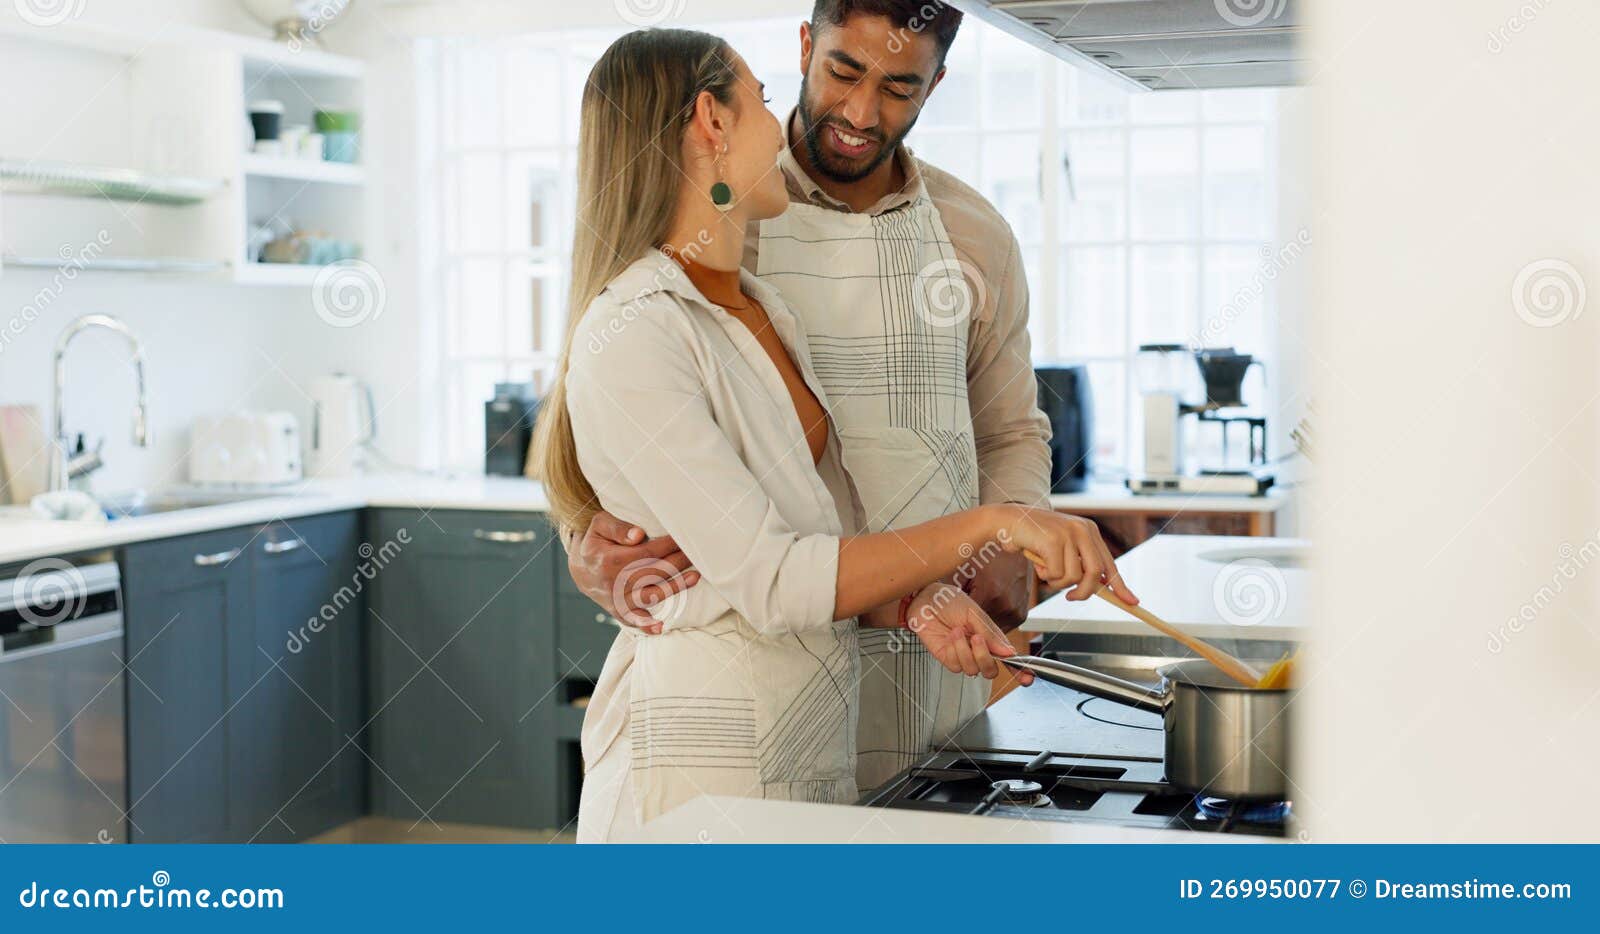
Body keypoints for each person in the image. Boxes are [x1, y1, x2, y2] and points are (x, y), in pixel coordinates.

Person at [532, 27, 1135, 841]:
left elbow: (995, 436)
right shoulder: (646, 318)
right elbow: (754, 560)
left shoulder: (765, 302)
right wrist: (588, 537)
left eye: (898, 87)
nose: (858, 109)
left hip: (867, 686)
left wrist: (938, 591)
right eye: (839, 73)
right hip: (717, 745)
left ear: (937, 82)